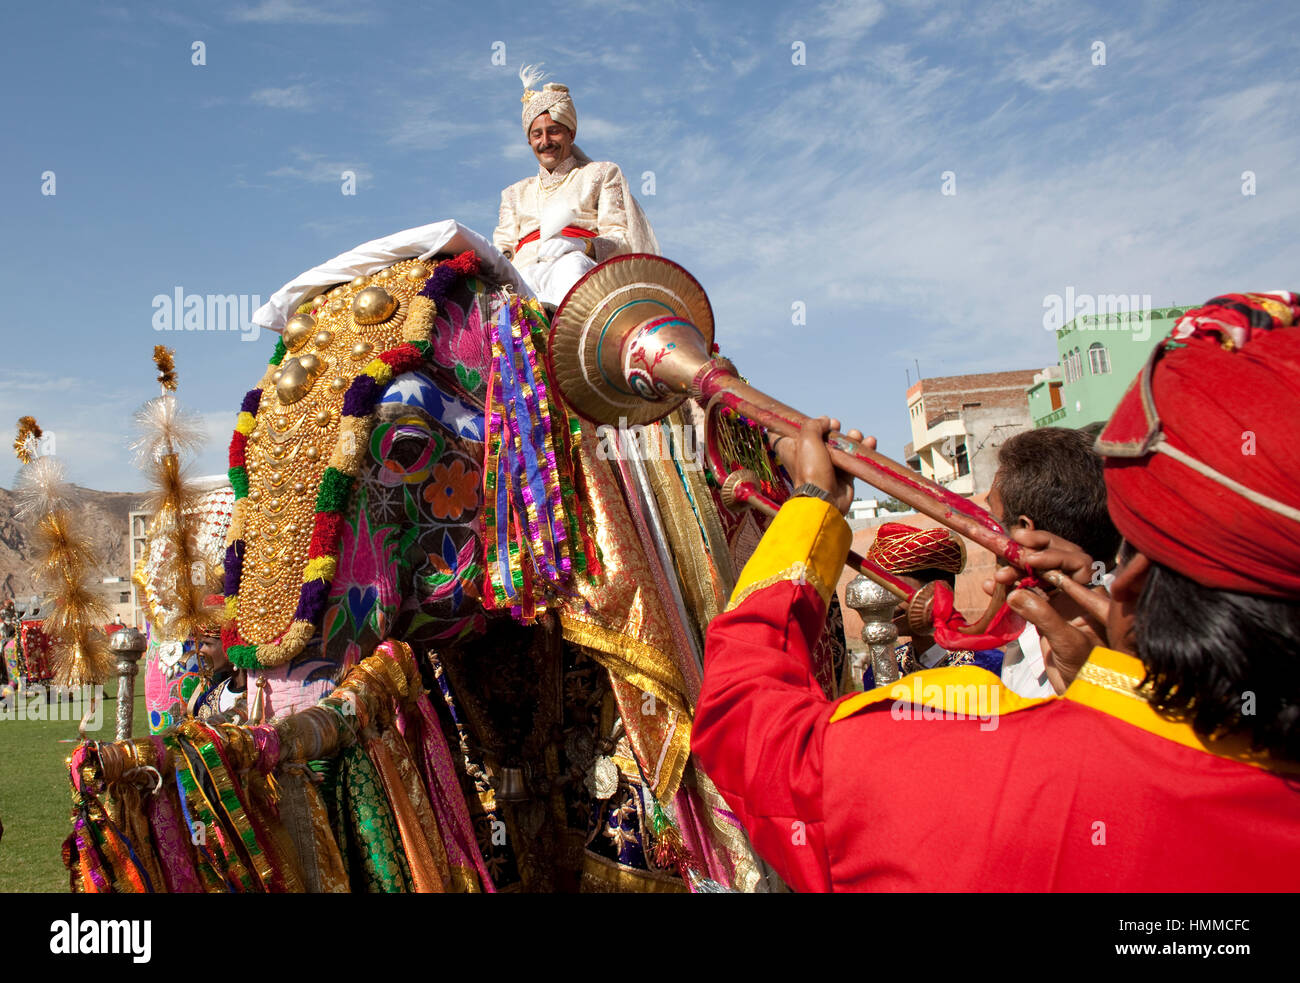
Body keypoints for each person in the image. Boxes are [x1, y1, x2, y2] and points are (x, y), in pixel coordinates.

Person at [693, 292, 1300, 891]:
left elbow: (741, 723)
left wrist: (810, 508)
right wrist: (1117, 678)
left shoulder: (939, 764)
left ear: (1134, 579)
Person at [493, 66, 658, 307]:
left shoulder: (602, 174)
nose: (545, 141)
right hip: (524, 275)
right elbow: (503, 248)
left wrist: (582, 246)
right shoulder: (513, 194)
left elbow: (622, 239)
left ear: (571, 134)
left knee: (570, 268)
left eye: (554, 131)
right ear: (529, 140)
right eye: (537, 134)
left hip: (579, 269)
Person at [987, 426, 1121, 696]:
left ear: (1025, 532)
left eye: (993, 520)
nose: (988, 537)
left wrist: (1097, 690)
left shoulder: (1135, 629)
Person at [858, 522, 1003, 687]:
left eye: (894, 589)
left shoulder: (989, 668)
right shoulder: (880, 672)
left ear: (937, 592)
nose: (883, 601)